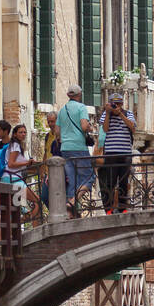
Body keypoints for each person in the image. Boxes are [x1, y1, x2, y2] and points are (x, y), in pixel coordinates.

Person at [56, 85, 94, 214]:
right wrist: (90, 127)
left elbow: (57, 132)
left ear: (68, 95)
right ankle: (72, 202)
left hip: (65, 148)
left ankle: (70, 212)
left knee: (72, 180)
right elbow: (84, 126)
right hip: (79, 147)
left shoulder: (62, 110)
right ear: (79, 95)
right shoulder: (81, 107)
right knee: (89, 177)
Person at [98, 92, 136, 214]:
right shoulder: (105, 115)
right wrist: (108, 113)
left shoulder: (128, 114)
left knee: (124, 182)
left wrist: (120, 114)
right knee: (110, 182)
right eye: (114, 104)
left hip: (125, 153)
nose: (116, 106)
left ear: (122, 104)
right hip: (111, 153)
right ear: (110, 104)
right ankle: (108, 209)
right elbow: (105, 129)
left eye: (118, 104)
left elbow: (133, 127)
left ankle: (122, 208)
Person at [3, 123, 41, 223]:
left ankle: (21, 223)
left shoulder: (14, 145)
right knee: (37, 201)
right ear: (15, 134)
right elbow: (11, 164)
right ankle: (27, 223)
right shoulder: (15, 145)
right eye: (20, 132)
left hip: (10, 179)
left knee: (16, 207)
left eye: (24, 132)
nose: (23, 134)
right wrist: (27, 162)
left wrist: (29, 163)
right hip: (15, 180)